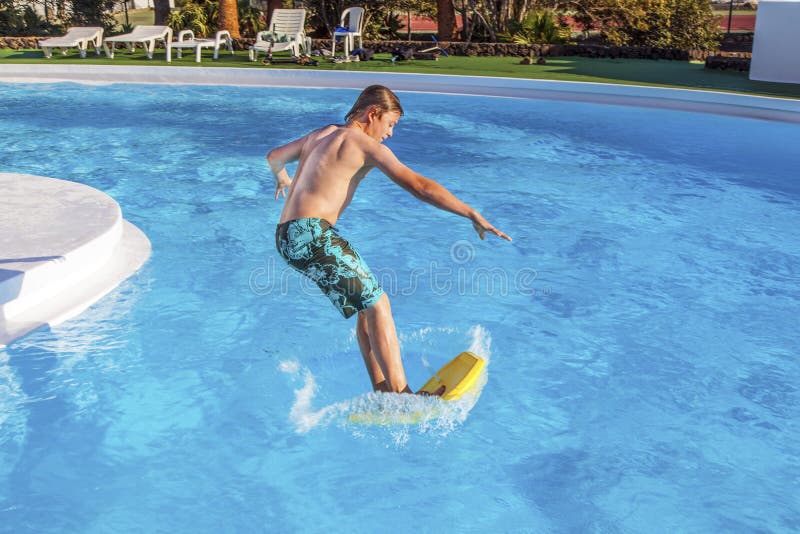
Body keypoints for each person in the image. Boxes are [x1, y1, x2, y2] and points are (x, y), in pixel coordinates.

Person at [268, 85, 511, 395]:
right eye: (391, 124)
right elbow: (420, 186)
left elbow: (274, 156)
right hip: (313, 235)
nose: (390, 134)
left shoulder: (322, 133)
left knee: (367, 307)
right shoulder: (364, 145)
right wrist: (470, 213)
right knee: (380, 305)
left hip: (287, 237)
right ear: (373, 114)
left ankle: (383, 391)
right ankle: (401, 397)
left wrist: (281, 176)